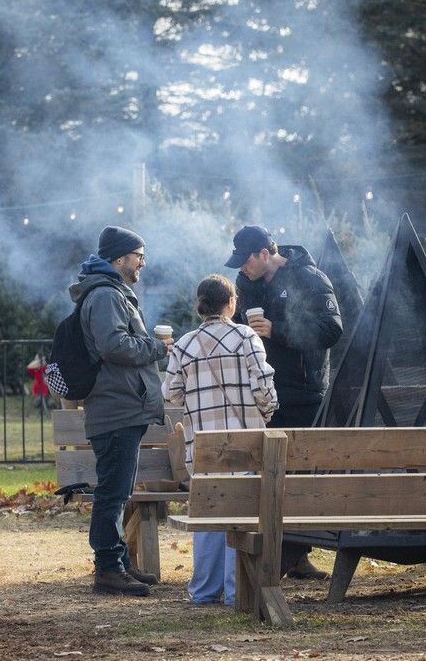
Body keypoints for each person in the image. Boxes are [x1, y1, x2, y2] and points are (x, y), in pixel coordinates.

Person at [225, 224, 343, 579]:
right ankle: (283, 555)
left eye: (245, 261)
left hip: (302, 393)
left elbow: (332, 330)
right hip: (260, 393)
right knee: (267, 476)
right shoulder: (247, 284)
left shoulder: (310, 278)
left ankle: (293, 554)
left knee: (296, 476)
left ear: (265, 253)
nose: (241, 270)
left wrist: (277, 330)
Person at [162, 274, 278, 605]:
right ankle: (234, 591)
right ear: (231, 303)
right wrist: (267, 411)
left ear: (200, 306)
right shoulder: (246, 337)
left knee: (209, 514)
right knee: (240, 514)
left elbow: (170, 393)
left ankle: (203, 590)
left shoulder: (184, 344)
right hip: (245, 445)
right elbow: (264, 389)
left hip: (204, 447)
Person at [72, 225, 173, 597]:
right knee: (112, 494)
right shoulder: (105, 295)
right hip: (116, 408)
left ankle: (119, 564)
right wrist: (157, 349)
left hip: (122, 406)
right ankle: (108, 570)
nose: (143, 263)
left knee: (118, 490)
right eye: (139, 256)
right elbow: (114, 345)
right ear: (119, 258)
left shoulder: (112, 293)